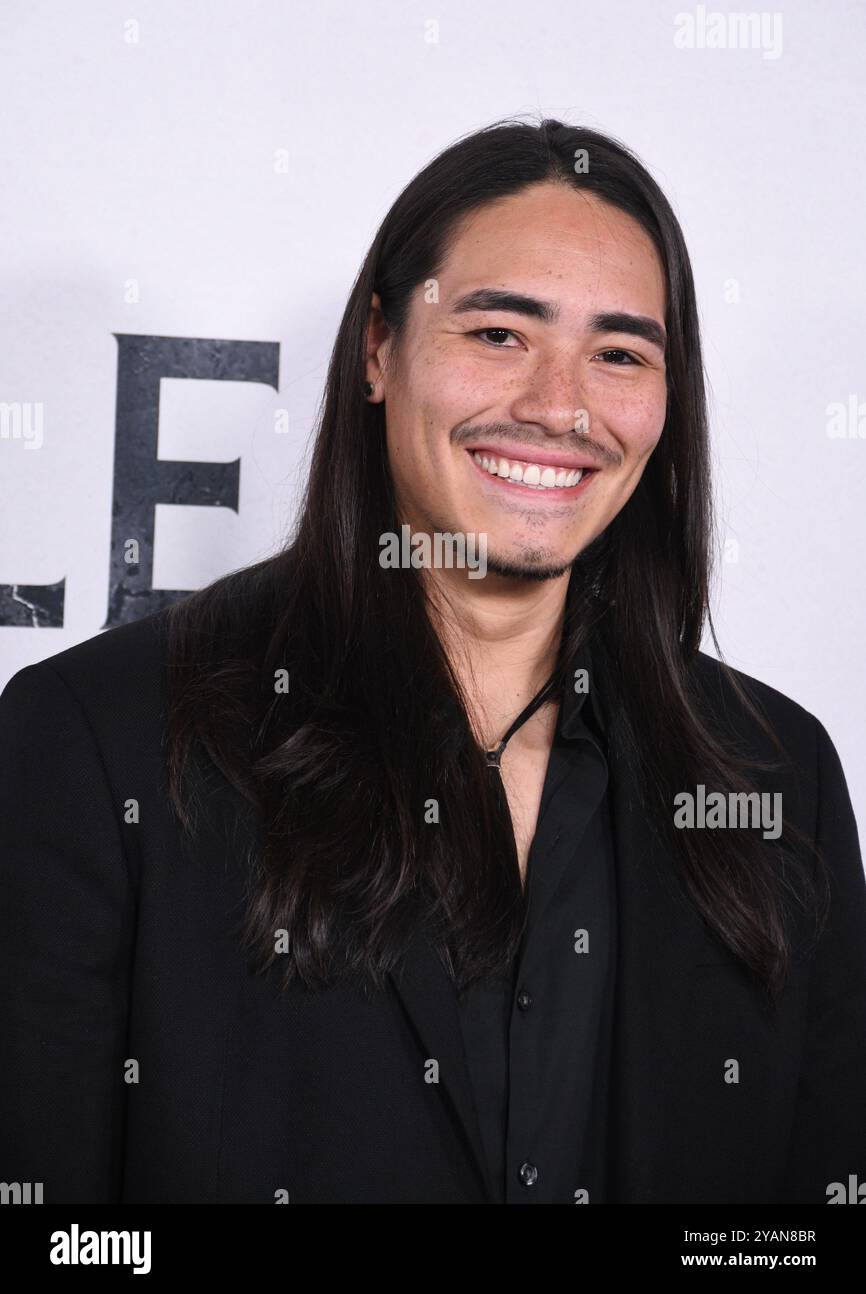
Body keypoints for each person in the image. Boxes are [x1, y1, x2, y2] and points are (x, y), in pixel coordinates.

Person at [1, 118, 864, 1205]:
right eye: (498, 334)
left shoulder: (773, 774)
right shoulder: (102, 736)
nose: (559, 406)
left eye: (618, 352)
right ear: (377, 348)